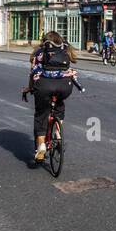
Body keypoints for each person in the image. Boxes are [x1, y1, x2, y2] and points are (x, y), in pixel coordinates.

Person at [23, 31, 78, 162]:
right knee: (59, 106)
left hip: (44, 86)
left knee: (41, 114)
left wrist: (29, 88)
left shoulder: (39, 52)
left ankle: (41, 145)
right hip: (65, 86)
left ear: (44, 41)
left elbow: (33, 73)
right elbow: (73, 61)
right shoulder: (65, 49)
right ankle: (58, 134)